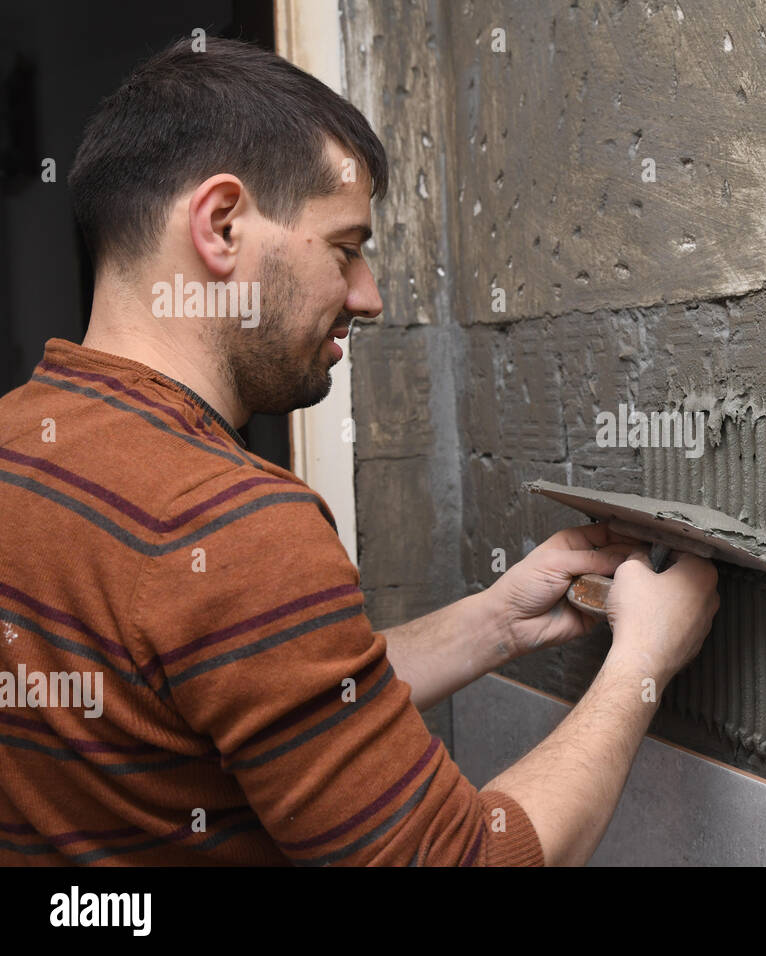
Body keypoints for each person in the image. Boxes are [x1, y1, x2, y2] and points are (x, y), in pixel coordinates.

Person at [0, 36, 718, 866]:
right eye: (346, 248)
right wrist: (643, 661)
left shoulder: (23, 444)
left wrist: (496, 623)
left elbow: (252, 697)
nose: (369, 297)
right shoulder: (231, 526)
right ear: (222, 225)